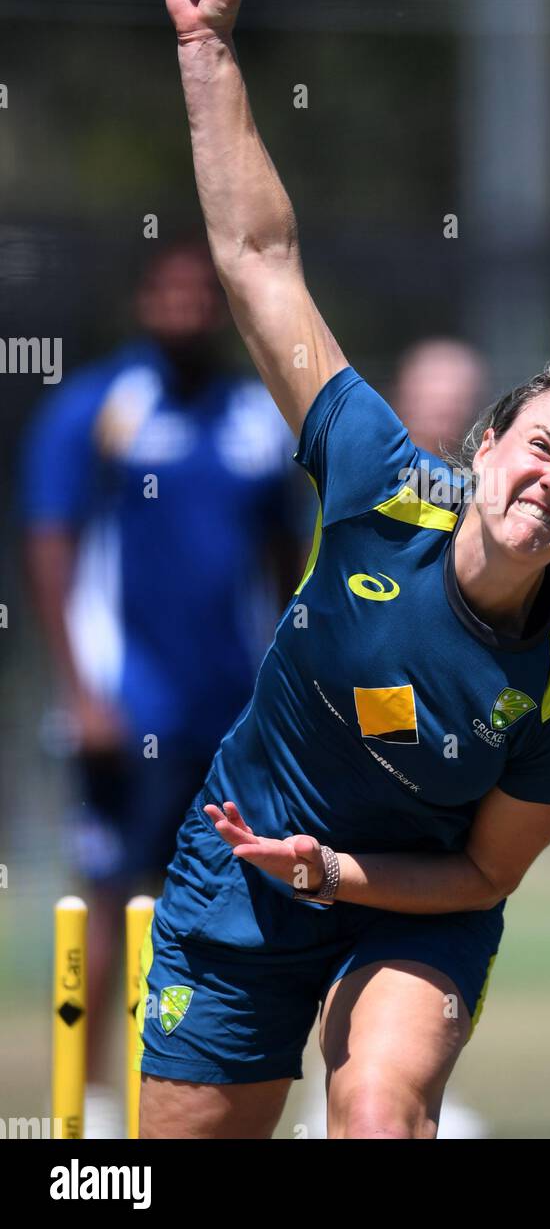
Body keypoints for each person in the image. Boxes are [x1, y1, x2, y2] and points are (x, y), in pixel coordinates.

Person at [135, 0, 550, 1140]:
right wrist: (204, 44)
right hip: (241, 860)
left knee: (381, 1107)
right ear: (488, 446)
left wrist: (339, 874)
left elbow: (484, 875)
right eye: (543, 449)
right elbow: (258, 258)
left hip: (407, 902)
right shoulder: (374, 473)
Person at [21, 237, 306, 1132]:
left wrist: (292, 684)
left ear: (220, 307)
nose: (185, 307)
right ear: (144, 300)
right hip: (126, 704)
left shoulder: (255, 417)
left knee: (254, 902)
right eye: (168, 291)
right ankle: (95, 1100)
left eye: (201, 293)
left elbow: (289, 557)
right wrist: (82, 691)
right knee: (111, 895)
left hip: (232, 715)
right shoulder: (100, 408)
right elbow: (50, 544)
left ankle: (241, 1096)